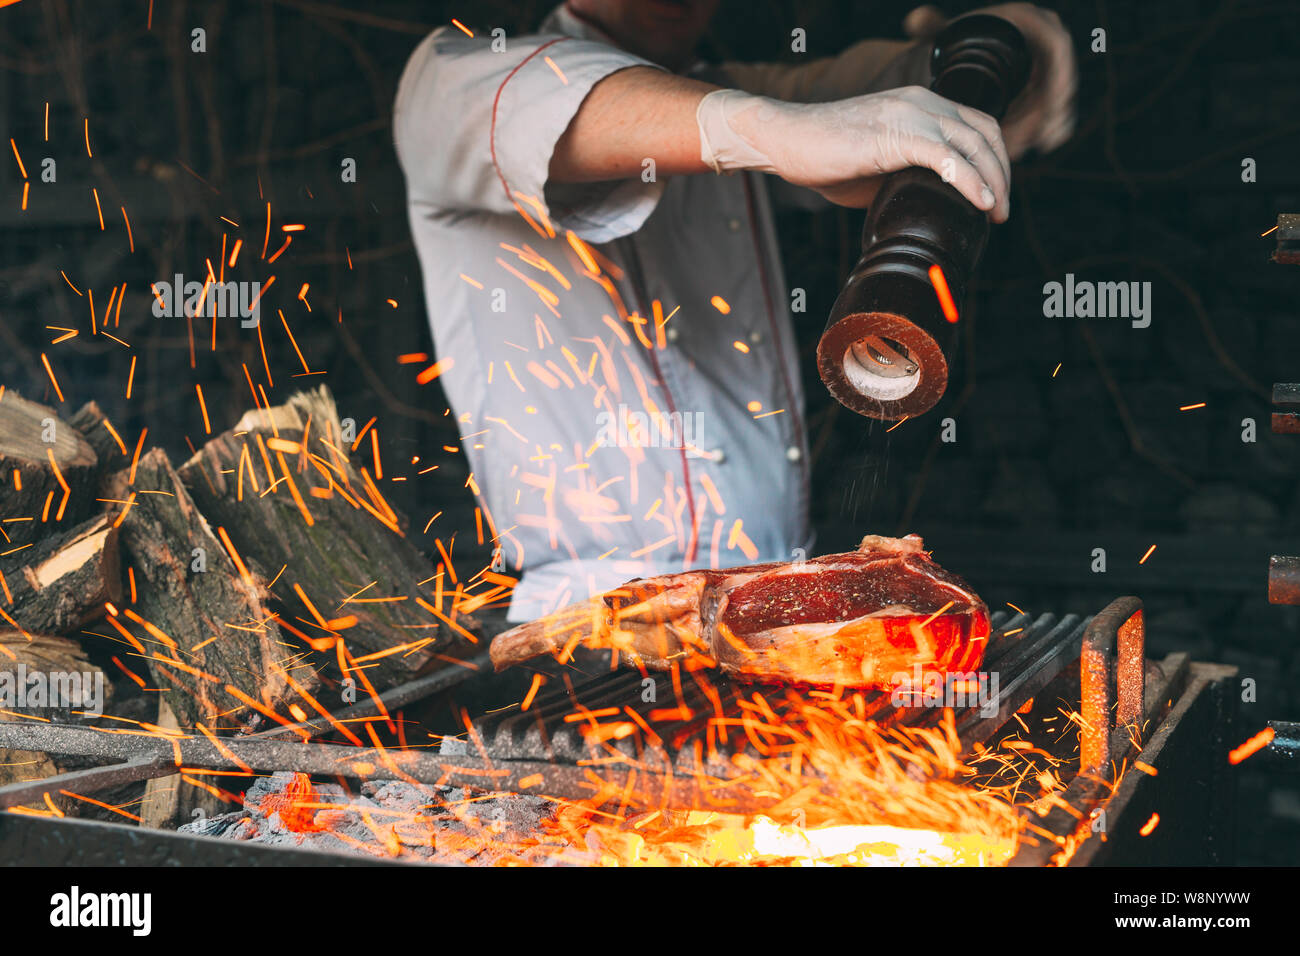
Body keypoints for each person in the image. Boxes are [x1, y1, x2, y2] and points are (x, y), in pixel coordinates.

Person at [393, 1, 1076, 623]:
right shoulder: (452, 79)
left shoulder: (734, 90)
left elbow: (866, 93)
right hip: (597, 626)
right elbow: (564, 105)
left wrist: (1001, 48)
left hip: (781, 606)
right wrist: (774, 131)